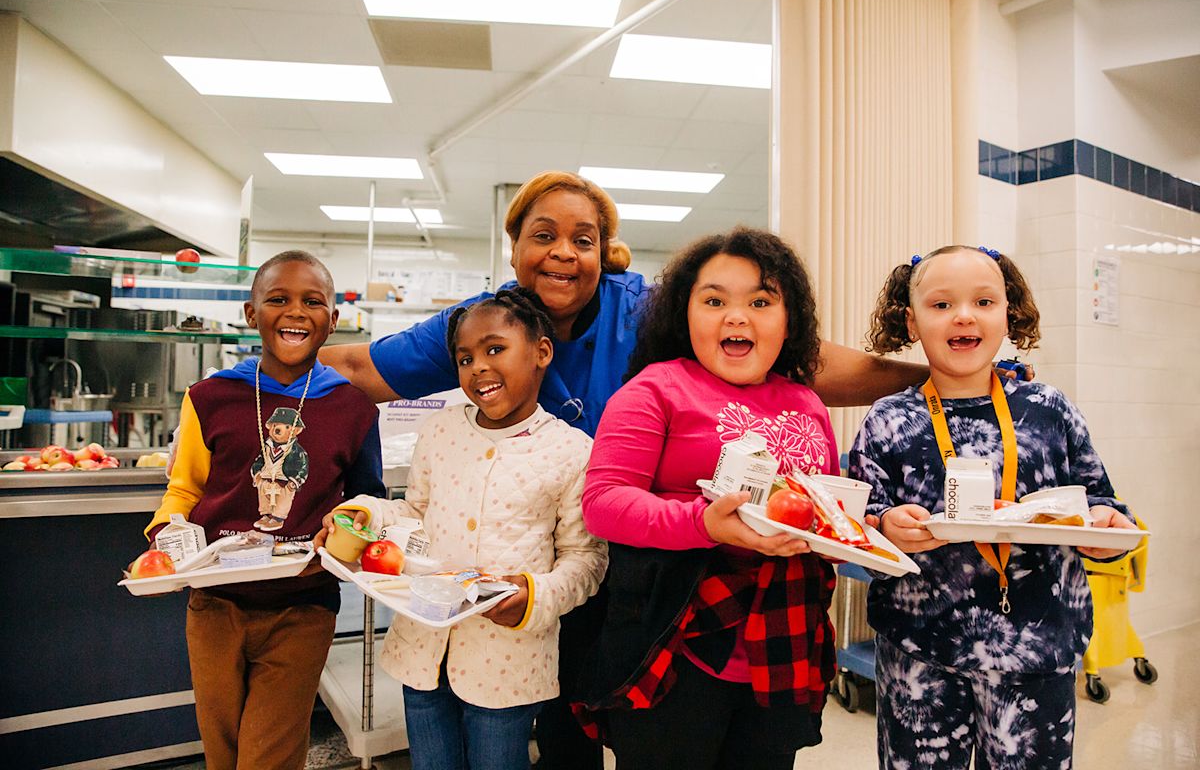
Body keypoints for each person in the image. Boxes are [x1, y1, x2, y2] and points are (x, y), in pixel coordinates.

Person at [318, 170, 931, 768]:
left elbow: (792, 353)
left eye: (583, 240)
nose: (562, 254)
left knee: (600, 715)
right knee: (557, 731)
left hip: (638, 577)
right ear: (513, 249)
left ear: (605, 253)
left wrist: (935, 379)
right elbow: (362, 370)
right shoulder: (484, 324)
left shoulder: (643, 305)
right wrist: (276, 361)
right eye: (542, 235)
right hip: (550, 558)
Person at [847, 245, 1137, 770]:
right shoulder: (888, 419)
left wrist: (1107, 527)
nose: (963, 315)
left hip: (1038, 651)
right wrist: (885, 523)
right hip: (919, 652)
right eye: (941, 305)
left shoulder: (1049, 408)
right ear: (910, 322)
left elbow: (1100, 501)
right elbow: (859, 525)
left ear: (1010, 314)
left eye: (984, 301)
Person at [576, 228, 839, 769]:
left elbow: (825, 508)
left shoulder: (806, 401)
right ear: (684, 313)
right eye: (714, 300)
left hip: (783, 643)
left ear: (788, 320)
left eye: (761, 301)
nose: (736, 317)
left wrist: (860, 531)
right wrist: (704, 524)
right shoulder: (656, 389)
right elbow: (603, 502)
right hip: (676, 640)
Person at [319, 288, 607, 770]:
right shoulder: (442, 430)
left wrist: (535, 597)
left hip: (508, 661)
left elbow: (587, 560)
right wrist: (368, 512)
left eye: (495, 350)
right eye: (465, 358)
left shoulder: (573, 450)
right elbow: (416, 514)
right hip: (423, 651)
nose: (478, 368)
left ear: (541, 352)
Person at [141, 250, 384, 770]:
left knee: (267, 757)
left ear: (332, 320)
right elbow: (185, 490)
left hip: (303, 606)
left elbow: (367, 502)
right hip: (213, 606)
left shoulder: (354, 408)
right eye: (278, 299)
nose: (295, 312)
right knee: (221, 751)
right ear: (251, 314)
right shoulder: (209, 397)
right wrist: (166, 532)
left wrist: (350, 527)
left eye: (312, 301)